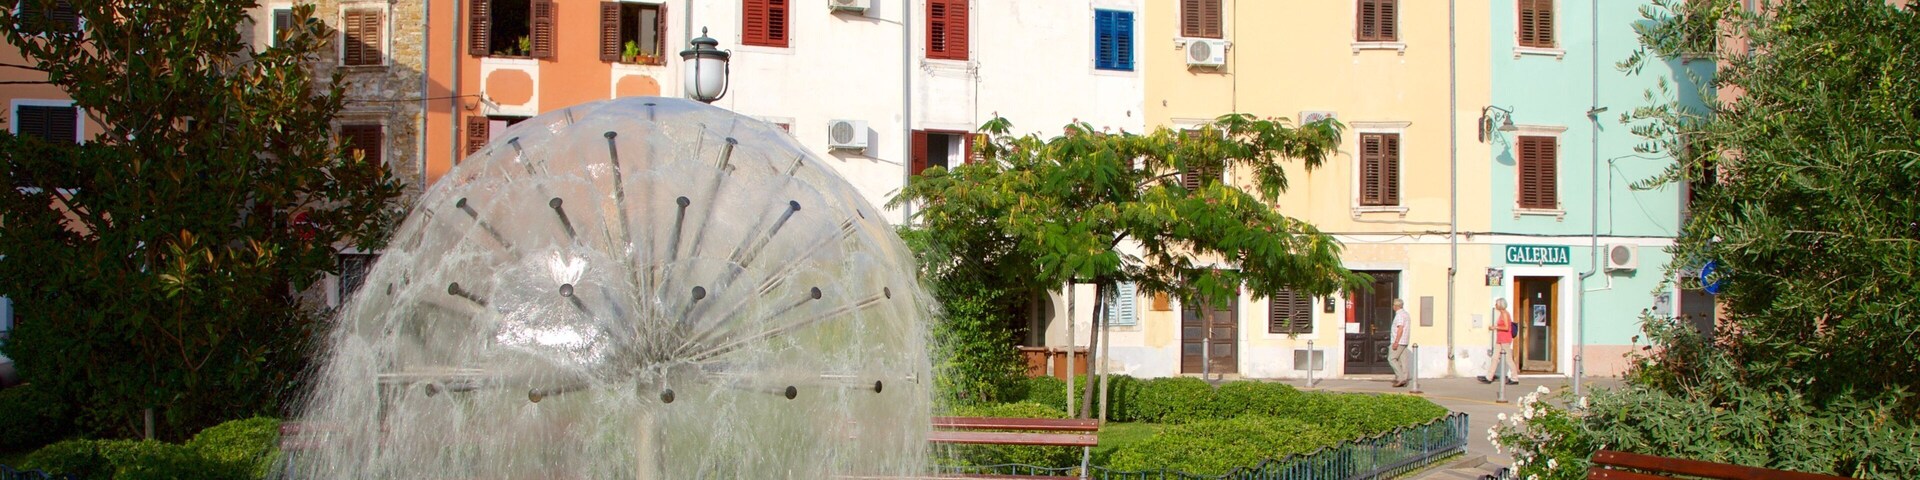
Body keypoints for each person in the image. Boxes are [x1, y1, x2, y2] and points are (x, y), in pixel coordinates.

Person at [1479, 298, 1520, 385]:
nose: (1495, 305)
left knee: (1508, 359)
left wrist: (1495, 327)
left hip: (1505, 339)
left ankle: (1515, 378)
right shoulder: (1502, 314)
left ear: (1500, 305)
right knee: (1495, 358)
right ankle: (1489, 377)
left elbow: (1506, 327)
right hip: (1500, 339)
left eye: (1496, 304)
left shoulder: (1505, 314)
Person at [1389, 298, 1411, 388]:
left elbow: (1400, 328)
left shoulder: (1399, 315)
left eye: (1393, 305)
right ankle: (1405, 378)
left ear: (1396, 306)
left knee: (1391, 359)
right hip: (1404, 341)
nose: (1393, 307)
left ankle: (1401, 378)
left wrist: (1396, 342)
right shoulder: (1406, 314)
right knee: (1403, 361)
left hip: (1399, 341)